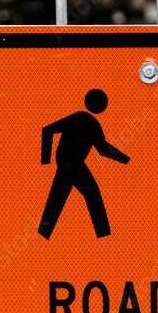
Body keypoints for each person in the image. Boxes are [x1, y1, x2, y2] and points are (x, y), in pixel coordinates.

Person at [38, 88, 129, 239]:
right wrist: (45, 161)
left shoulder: (87, 121)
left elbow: (102, 148)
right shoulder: (85, 120)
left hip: (68, 162)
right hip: (71, 163)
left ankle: (43, 233)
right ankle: (104, 234)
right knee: (91, 193)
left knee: (58, 197)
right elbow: (47, 130)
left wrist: (125, 160)